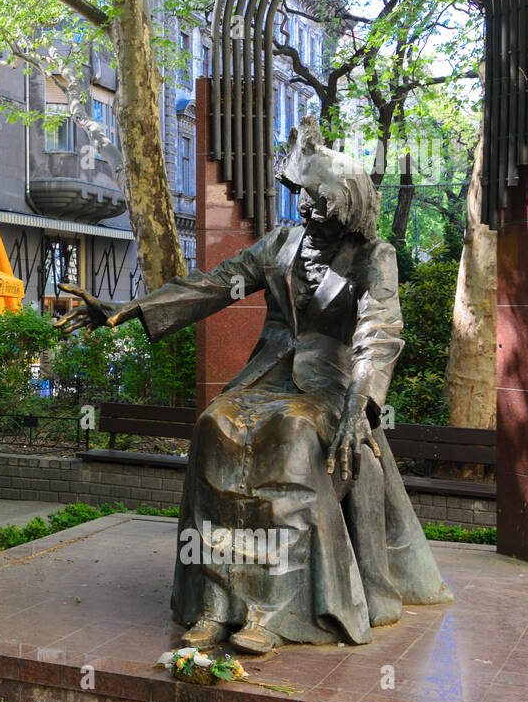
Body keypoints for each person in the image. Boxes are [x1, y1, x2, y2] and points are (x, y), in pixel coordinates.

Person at [56, 115, 452, 654]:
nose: (306, 209)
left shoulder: (372, 257)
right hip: (265, 377)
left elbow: (379, 333)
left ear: (347, 202)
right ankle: (217, 602)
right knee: (214, 424)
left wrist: (361, 404)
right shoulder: (279, 246)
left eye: (317, 199)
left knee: (290, 438)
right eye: (302, 197)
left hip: (329, 390)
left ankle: (272, 606)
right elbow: (214, 285)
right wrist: (125, 311)